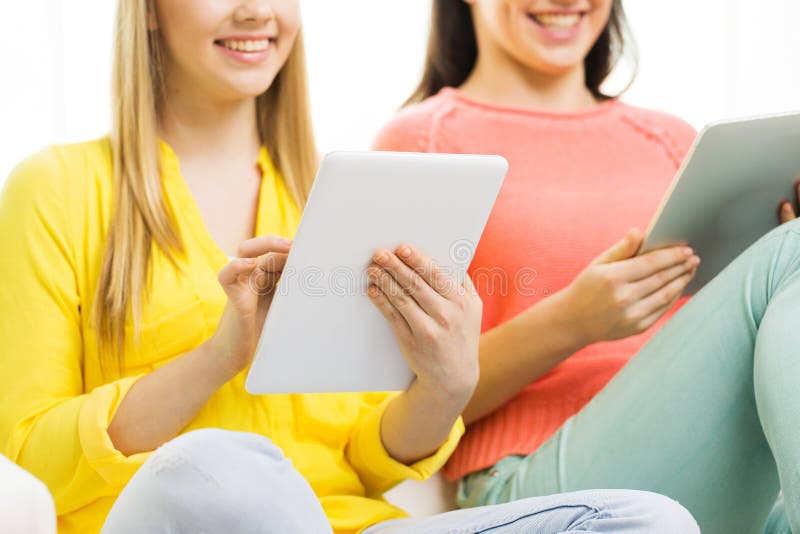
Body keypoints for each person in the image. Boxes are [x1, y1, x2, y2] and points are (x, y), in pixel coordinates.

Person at [0, 0, 699, 533]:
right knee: (223, 464)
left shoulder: (334, 197)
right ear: (148, 11)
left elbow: (366, 457)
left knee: (647, 520)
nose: (256, 12)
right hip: (177, 511)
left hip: (349, 523)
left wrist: (445, 384)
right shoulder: (57, 188)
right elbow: (30, 459)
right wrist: (219, 356)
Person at [374, 0, 800, 532]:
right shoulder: (424, 142)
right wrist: (573, 321)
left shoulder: (672, 139)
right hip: (534, 483)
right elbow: (396, 406)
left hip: (716, 472)